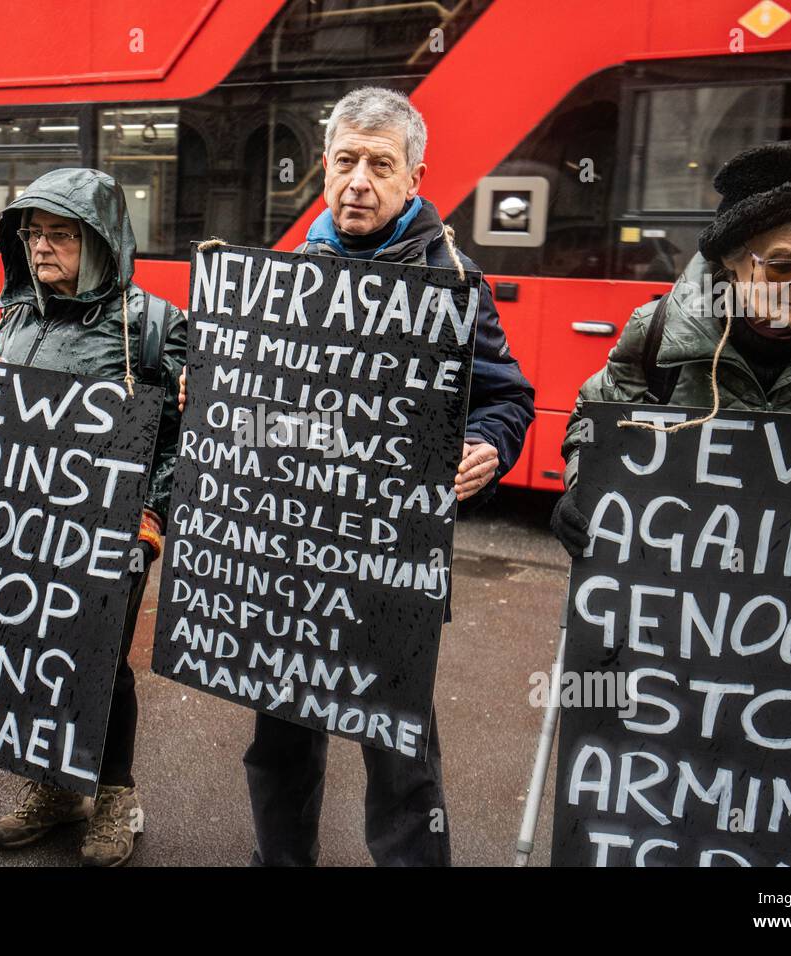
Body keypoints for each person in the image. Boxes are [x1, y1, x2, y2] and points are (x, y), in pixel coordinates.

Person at [184, 87, 536, 865]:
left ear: (415, 178)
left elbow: (508, 396)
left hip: (387, 566)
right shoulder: (288, 275)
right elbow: (250, 407)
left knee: (399, 751)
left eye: (381, 165)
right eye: (345, 161)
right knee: (279, 743)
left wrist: (488, 443)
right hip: (291, 559)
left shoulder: (454, 281)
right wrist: (208, 399)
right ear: (324, 170)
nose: (358, 182)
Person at [0, 167, 185, 866]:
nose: (42, 247)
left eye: (60, 234)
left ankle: (113, 797)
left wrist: (151, 519)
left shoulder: (153, 326)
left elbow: (178, 437)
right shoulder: (15, 319)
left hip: (112, 532)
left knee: (101, 667)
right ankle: (55, 788)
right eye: (33, 234)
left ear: (100, 241)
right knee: (32, 652)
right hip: (27, 530)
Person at [551, 138, 791, 558]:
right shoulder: (656, 333)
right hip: (685, 581)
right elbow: (592, 426)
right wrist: (583, 489)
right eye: (783, 266)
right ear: (731, 259)